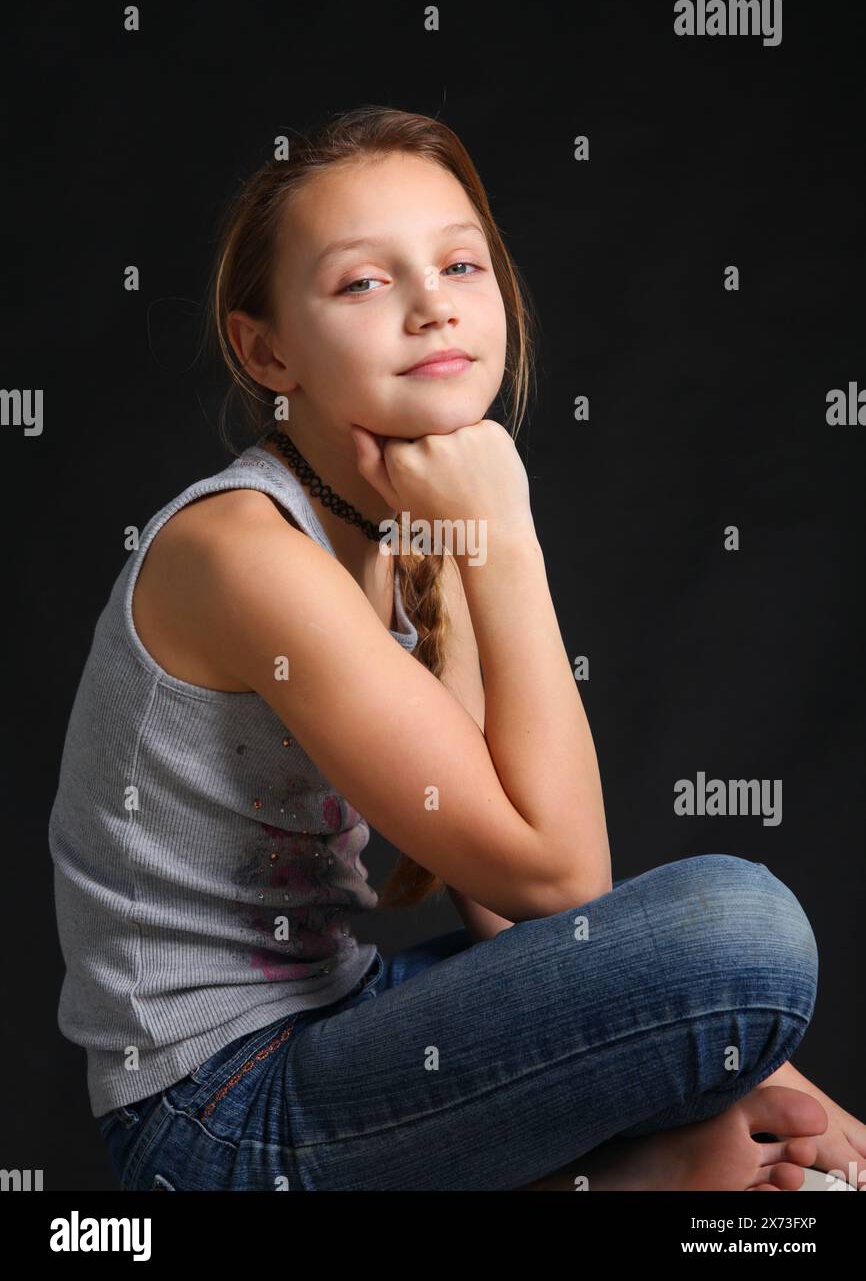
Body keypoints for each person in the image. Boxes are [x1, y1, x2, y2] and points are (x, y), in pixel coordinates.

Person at [49, 106, 864, 1191]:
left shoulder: (410, 519)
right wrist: (505, 532)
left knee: (734, 1013)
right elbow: (559, 867)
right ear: (265, 348)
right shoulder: (241, 552)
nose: (432, 304)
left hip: (345, 1028)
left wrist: (740, 1056)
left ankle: (656, 1167)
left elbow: (516, 890)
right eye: (363, 283)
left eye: (459, 264)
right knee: (743, 924)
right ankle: (636, 1174)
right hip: (214, 1119)